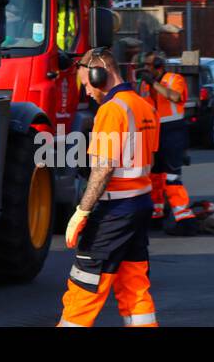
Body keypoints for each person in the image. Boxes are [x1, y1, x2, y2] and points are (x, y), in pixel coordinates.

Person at [58, 47, 160, 327]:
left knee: (84, 284)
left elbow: (103, 169)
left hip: (113, 211)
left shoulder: (112, 111)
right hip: (139, 205)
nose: (86, 92)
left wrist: (82, 211)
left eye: (87, 84)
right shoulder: (144, 106)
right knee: (134, 285)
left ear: (99, 74)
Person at [138, 51, 197, 235]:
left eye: (149, 66)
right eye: (145, 66)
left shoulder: (174, 79)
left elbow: (175, 97)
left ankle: (184, 218)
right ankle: (157, 213)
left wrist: (153, 83)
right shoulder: (145, 85)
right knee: (154, 176)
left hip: (172, 131)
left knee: (171, 176)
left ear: (158, 66)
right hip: (153, 131)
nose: (146, 69)